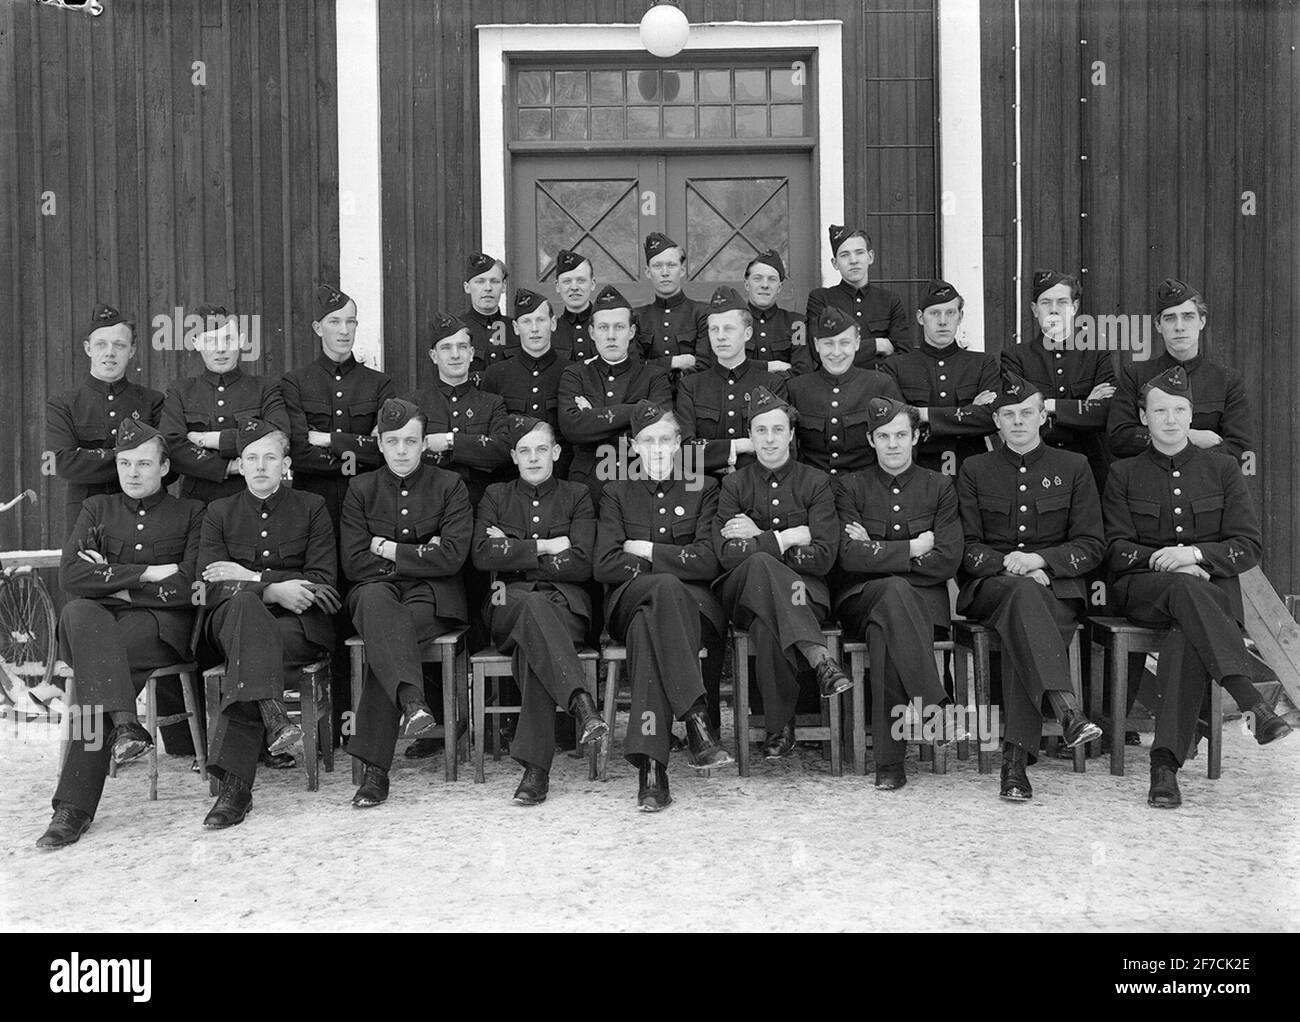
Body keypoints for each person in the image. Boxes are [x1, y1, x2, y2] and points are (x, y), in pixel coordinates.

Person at [1103, 365, 1290, 809]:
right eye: (1160, 410)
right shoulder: (1123, 472)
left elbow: (1248, 547)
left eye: (1180, 410)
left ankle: (1163, 768)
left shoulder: (1222, 469)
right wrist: (1160, 560)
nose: (1170, 419)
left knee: (1187, 631)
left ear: (1192, 416)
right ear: (1144, 418)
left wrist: (1195, 556)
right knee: (1187, 593)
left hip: (1204, 594)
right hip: (1144, 591)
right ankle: (1251, 700)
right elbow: (1113, 548)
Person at [36, 420, 205, 849]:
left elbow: (190, 585)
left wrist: (112, 580)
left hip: (159, 628)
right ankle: (126, 724)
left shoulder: (191, 513)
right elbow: (72, 576)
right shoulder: (97, 510)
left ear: (165, 467)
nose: (132, 473)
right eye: (125, 463)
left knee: (98, 661)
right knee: (77, 609)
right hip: (97, 622)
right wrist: (146, 574)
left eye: (143, 464)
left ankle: (71, 809)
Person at [955, 372, 1105, 801]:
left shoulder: (1073, 467)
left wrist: (1041, 561)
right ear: (996, 421)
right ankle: (1066, 709)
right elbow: (964, 545)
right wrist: (1011, 564)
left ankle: (1015, 761)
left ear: (1043, 415)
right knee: (1022, 596)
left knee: (1025, 614)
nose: (1018, 421)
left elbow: (1092, 544)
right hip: (991, 587)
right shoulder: (975, 469)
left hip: (1055, 589)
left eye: (1026, 412)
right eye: (1008, 414)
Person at [195, 418, 338, 828]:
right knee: (243, 610)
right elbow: (209, 586)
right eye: (252, 458)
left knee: (247, 642)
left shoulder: (311, 508)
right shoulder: (218, 512)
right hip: (233, 623)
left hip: (295, 629)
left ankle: (235, 790)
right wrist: (272, 589)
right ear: (239, 465)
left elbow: (324, 583)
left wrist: (251, 577)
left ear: (285, 464)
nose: (260, 466)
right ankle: (273, 716)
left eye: (270, 458)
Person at [594, 401, 734, 810]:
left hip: (691, 610)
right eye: (647, 440)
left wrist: (646, 550)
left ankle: (651, 771)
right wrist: (674, 559)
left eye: (665, 439)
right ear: (633, 446)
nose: (656, 447)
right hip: (628, 599)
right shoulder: (616, 492)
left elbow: (710, 559)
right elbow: (604, 564)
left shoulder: (704, 487)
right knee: (667, 587)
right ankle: (695, 719)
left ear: (679, 443)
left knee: (648, 627)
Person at [341, 398, 473, 807]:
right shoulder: (360, 489)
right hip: (376, 592)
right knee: (383, 614)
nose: (402, 450)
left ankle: (376, 771)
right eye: (393, 441)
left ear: (423, 444)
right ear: (379, 443)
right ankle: (413, 702)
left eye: (410, 441)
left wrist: (389, 549)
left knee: (388, 636)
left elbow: (452, 556)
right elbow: (354, 562)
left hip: (432, 599)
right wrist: (419, 554)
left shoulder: (449, 486)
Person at [471, 415, 608, 805]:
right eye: (525, 451)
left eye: (542, 449)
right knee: (531, 605)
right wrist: (549, 546)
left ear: (556, 453)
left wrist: (514, 548)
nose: (534, 458)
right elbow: (482, 554)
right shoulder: (496, 495)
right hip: (505, 602)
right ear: (514, 456)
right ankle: (580, 702)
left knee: (534, 636)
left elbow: (583, 562)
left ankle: (536, 771)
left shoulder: (577, 494)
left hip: (565, 605)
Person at [712, 386, 851, 759]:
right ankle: (819, 658)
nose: (769, 439)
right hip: (743, 592)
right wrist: (786, 537)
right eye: (760, 431)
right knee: (758, 565)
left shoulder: (816, 482)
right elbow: (726, 556)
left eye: (777, 430)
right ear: (750, 436)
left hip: (803, 594)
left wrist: (756, 537)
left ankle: (779, 725)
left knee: (766, 622)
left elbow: (823, 557)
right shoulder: (733, 484)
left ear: (791, 434)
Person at [833, 398, 963, 790]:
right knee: (891, 594)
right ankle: (935, 706)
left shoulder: (939, 487)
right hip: (861, 597)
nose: (893, 444)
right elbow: (846, 557)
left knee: (886, 627)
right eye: (884, 436)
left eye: (901, 435)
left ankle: (889, 764)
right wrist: (912, 547)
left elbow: (947, 560)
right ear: (871, 440)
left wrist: (876, 549)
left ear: (916, 437)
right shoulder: (849, 486)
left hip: (922, 602)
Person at [280, 284, 394, 532]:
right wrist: (357, 452)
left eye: (350, 322)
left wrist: (327, 439)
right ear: (318, 328)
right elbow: (299, 454)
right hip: (313, 505)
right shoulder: (295, 383)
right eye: (334, 322)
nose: (344, 331)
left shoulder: (379, 383)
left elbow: (383, 452)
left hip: (368, 505)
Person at [47, 303, 166, 539]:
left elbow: (167, 465)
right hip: (85, 516)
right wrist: (136, 460)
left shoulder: (152, 401)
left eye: (119, 345)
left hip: (144, 514)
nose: (110, 352)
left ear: (131, 350)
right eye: (101, 344)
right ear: (88, 348)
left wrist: (90, 457)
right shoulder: (64, 404)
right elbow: (62, 463)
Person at [1107, 278, 1252, 462]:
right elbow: (1120, 438)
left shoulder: (1227, 380)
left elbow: (1239, 448)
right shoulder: (1135, 374)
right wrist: (1189, 437)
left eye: (1188, 317)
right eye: (1170, 318)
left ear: (1202, 321)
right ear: (1158, 326)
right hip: (1151, 482)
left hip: (1206, 484)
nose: (1179, 327)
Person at [161, 303, 289, 505]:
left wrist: (212, 439)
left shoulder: (265, 388)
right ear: (196, 343)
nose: (221, 349)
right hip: (199, 501)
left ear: (241, 340)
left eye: (228, 339)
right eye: (211, 341)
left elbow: (279, 435)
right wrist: (231, 467)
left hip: (254, 500)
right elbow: (172, 447)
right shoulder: (181, 391)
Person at [1000, 269, 1116, 488]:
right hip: (1037, 466)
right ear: (1035, 310)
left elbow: (1107, 412)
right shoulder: (1016, 357)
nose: (1054, 310)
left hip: (1092, 467)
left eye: (1062, 302)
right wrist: (1084, 406)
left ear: (1074, 307)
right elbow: (1019, 414)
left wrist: (1048, 405)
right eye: (1045, 303)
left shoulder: (1097, 355)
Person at [558, 284, 671, 506]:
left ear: (631, 332)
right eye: (603, 327)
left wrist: (593, 416)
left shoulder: (654, 376)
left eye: (619, 327)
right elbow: (572, 428)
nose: (611, 335)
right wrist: (638, 410)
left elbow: (658, 430)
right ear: (592, 332)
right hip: (588, 489)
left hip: (640, 484)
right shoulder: (575, 375)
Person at [881, 279, 999, 474]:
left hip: (971, 471)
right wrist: (968, 412)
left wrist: (922, 414)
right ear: (921, 317)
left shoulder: (982, 364)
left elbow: (990, 418)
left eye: (950, 313)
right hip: (918, 471)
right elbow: (897, 422)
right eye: (934, 313)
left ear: (960, 316)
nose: (943, 321)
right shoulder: (896, 366)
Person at [674, 285, 789, 479]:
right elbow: (685, 453)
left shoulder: (772, 385)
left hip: (757, 489)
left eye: (729, 328)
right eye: (714, 329)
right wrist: (739, 446)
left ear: (747, 334)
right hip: (703, 492)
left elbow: (780, 449)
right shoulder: (691, 387)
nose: (720, 336)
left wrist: (715, 460)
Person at [787, 306, 905, 479]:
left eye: (844, 343)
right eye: (828, 343)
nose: (836, 352)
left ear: (857, 343)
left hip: (865, 490)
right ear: (817, 345)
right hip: (813, 490)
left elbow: (903, 442)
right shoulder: (797, 388)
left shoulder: (879, 384)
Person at [412, 311, 509, 508]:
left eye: (462, 347)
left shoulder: (492, 403)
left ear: (472, 353)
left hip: (480, 506)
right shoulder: (414, 404)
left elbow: (501, 451)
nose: (455, 355)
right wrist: (474, 450)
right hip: (428, 505)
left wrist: (449, 441)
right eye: (446, 348)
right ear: (434, 356)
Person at [482, 289, 571, 478]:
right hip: (509, 479)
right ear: (515, 327)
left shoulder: (572, 372)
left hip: (561, 478)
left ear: (553, 323)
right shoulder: (496, 374)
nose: (534, 328)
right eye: (526, 321)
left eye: (541, 320)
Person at [804, 226, 909, 371]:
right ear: (835, 263)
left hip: (878, 385)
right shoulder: (821, 299)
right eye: (845, 255)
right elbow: (818, 352)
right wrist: (877, 345)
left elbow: (903, 353)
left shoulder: (889, 301)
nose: (853, 260)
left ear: (870, 257)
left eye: (859, 253)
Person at [632, 232, 710, 388]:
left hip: (693, 398)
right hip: (650, 400)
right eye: (657, 266)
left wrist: (653, 365)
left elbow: (705, 365)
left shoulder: (702, 313)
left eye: (671, 265)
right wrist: (676, 362)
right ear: (648, 272)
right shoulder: (637, 317)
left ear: (682, 270)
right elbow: (634, 368)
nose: (665, 272)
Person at [742, 249, 811, 377]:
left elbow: (803, 369)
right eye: (757, 278)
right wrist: (772, 366)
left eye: (772, 280)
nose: (765, 285)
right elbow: (725, 365)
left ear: (779, 287)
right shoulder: (733, 321)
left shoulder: (797, 324)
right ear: (747, 284)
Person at [461, 251, 514, 378]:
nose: (488, 288)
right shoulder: (458, 330)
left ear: (503, 287)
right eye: (480, 282)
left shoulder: (517, 329)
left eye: (494, 281)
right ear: (467, 287)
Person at [551, 249, 598, 363]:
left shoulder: (608, 327)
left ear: (592, 284)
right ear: (557, 286)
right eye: (567, 281)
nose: (574, 287)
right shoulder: (550, 331)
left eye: (581, 280)